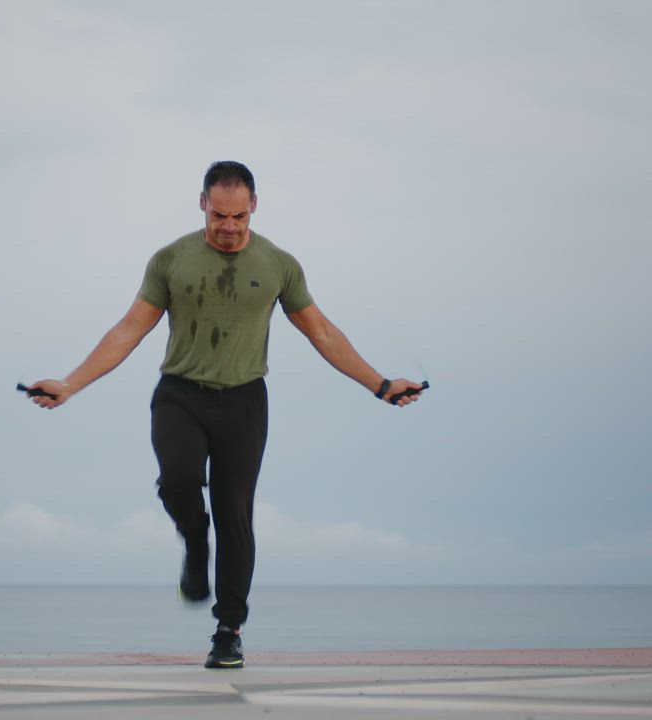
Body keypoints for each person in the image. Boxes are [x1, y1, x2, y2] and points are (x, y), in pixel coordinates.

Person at [23, 161, 424, 669]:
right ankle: (194, 540)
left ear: (254, 206)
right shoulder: (171, 260)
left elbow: (322, 332)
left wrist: (381, 385)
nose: (229, 227)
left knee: (236, 515)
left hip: (243, 400)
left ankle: (228, 630)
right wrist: (70, 384)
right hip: (180, 395)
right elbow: (128, 330)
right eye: (218, 215)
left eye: (238, 215)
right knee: (177, 481)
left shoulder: (279, 264)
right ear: (202, 205)